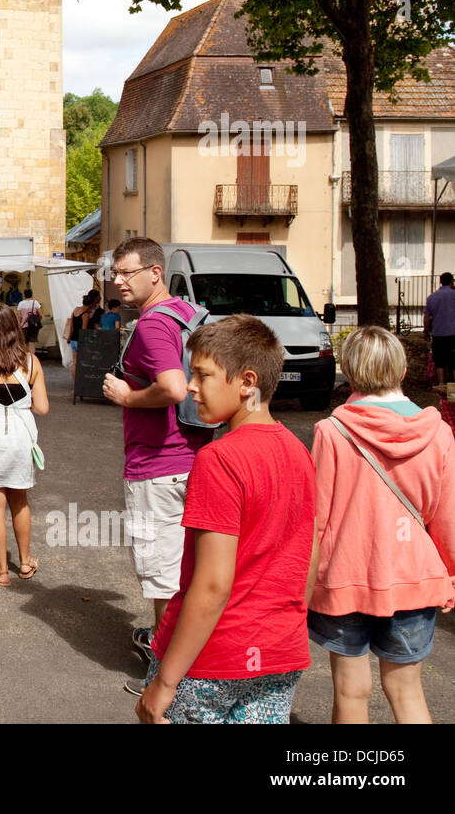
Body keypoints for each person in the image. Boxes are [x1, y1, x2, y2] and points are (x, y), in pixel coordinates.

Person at [136, 315, 316, 724]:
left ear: (246, 382)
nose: (192, 386)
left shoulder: (219, 459)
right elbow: (309, 553)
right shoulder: (298, 452)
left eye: (203, 374)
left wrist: (164, 683)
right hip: (279, 654)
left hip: (213, 659)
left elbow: (213, 584)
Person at [308, 326, 455, 724]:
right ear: (404, 367)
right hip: (414, 576)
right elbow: (446, 518)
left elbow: (317, 519)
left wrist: (302, 585)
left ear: (348, 371)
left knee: (350, 692)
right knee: (407, 692)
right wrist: (450, 577)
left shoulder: (331, 432)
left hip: (344, 577)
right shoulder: (439, 433)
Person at [101, 237, 209, 695]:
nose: (118, 281)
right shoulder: (187, 313)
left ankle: (167, 681)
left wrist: (128, 396)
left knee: (163, 578)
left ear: (154, 272)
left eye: (127, 272)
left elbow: (174, 387)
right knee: (193, 572)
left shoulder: (150, 326)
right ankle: (194, 663)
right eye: (116, 273)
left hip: (158, 466)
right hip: (196, 457)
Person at [0, 304, 49, 584]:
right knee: (20, 502)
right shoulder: (31, 362)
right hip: (20, 436)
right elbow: (42, 408)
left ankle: (2, 570)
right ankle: (25, 562)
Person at [424, 271, 455, 387]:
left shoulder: (432, 297)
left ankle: (441, 383)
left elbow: (426, 317)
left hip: (438, 334)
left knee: (439, 360)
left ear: (440, 282)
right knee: (454, 360)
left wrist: (426, 331)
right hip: (453, 334)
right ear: (452, 281)